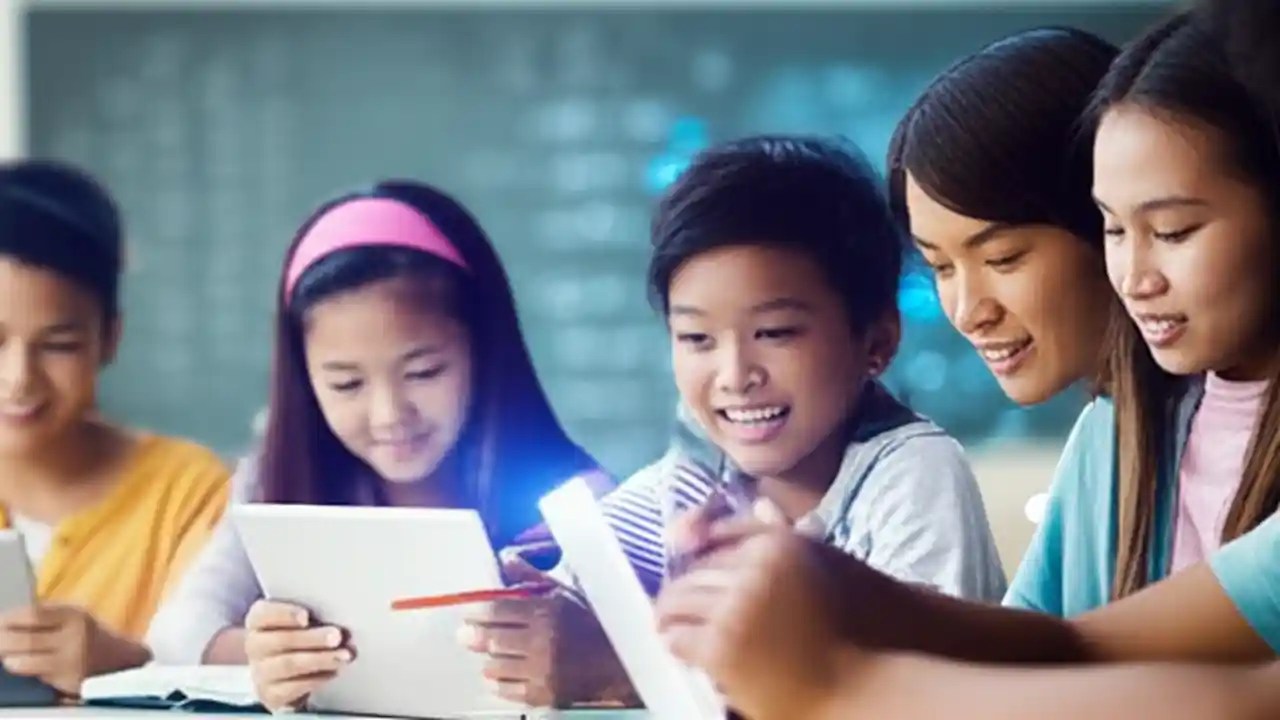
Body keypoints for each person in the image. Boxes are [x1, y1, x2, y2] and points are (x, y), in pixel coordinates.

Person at [656, 2, 1280, 715]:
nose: (1135, 275)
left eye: (1172, 229)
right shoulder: (1115, 434)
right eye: (940, 269)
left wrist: (836, 681)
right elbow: (1063, 647)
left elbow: (1109, 664)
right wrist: (826, 591)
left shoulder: (918, 466)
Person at [462, 135, 1005, 708]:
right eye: (696, 338)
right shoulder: (690, 485)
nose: (734, 374)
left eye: (773, 334)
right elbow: (576, 601)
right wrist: (525, 619)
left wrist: (624, 669)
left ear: (877, 340)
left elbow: (915, 695)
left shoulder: (913, 473)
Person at [144, 180, 607, 712]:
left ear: (483, 350)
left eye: (424, 372)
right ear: (302, 382)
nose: (389, 415)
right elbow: (178, 631)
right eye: (346, 384)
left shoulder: (575, 500)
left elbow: (639, 653)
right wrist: (269, 655)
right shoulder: (272, 481)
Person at [0, 159, 230, 696]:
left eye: (59, 345)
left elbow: (237, 691)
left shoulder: (189, 495)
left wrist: (125, 667)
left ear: (110, 338)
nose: (18, 380)